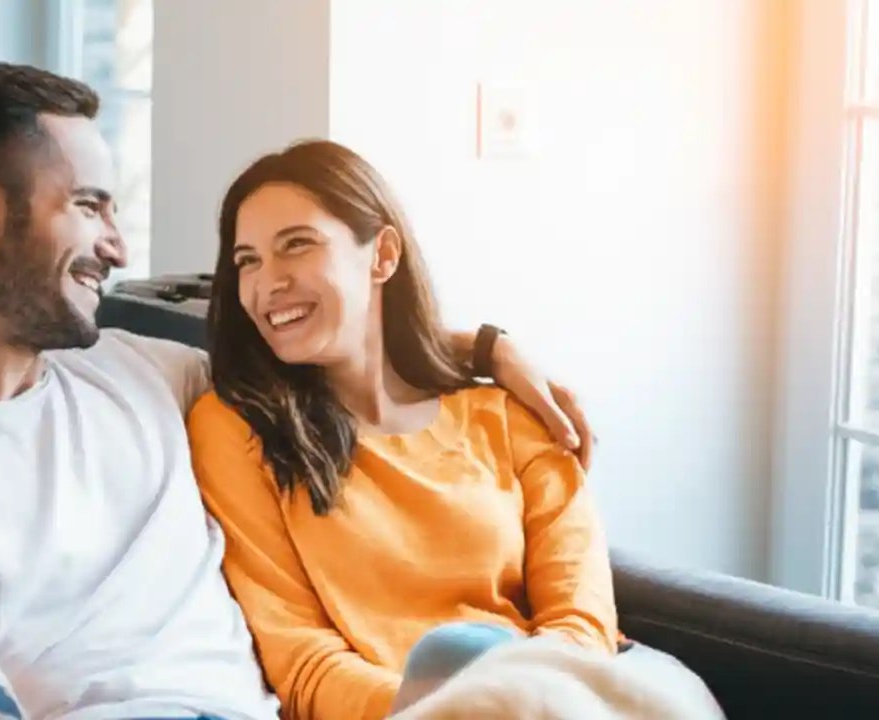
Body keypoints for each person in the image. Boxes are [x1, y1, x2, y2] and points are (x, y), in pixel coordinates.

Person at [0, 63, 592, 719]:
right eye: (87, 204)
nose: (119, 247)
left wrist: (484, 347)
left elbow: (329, 334)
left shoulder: (152, 375)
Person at [187, 139, 618, 720]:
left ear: (382, 255)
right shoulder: (234, 430)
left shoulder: (514, 420)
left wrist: (515, 703)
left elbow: (583, 622)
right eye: (248, 261)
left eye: (297, 245)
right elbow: (300, 659)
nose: (269, 283)